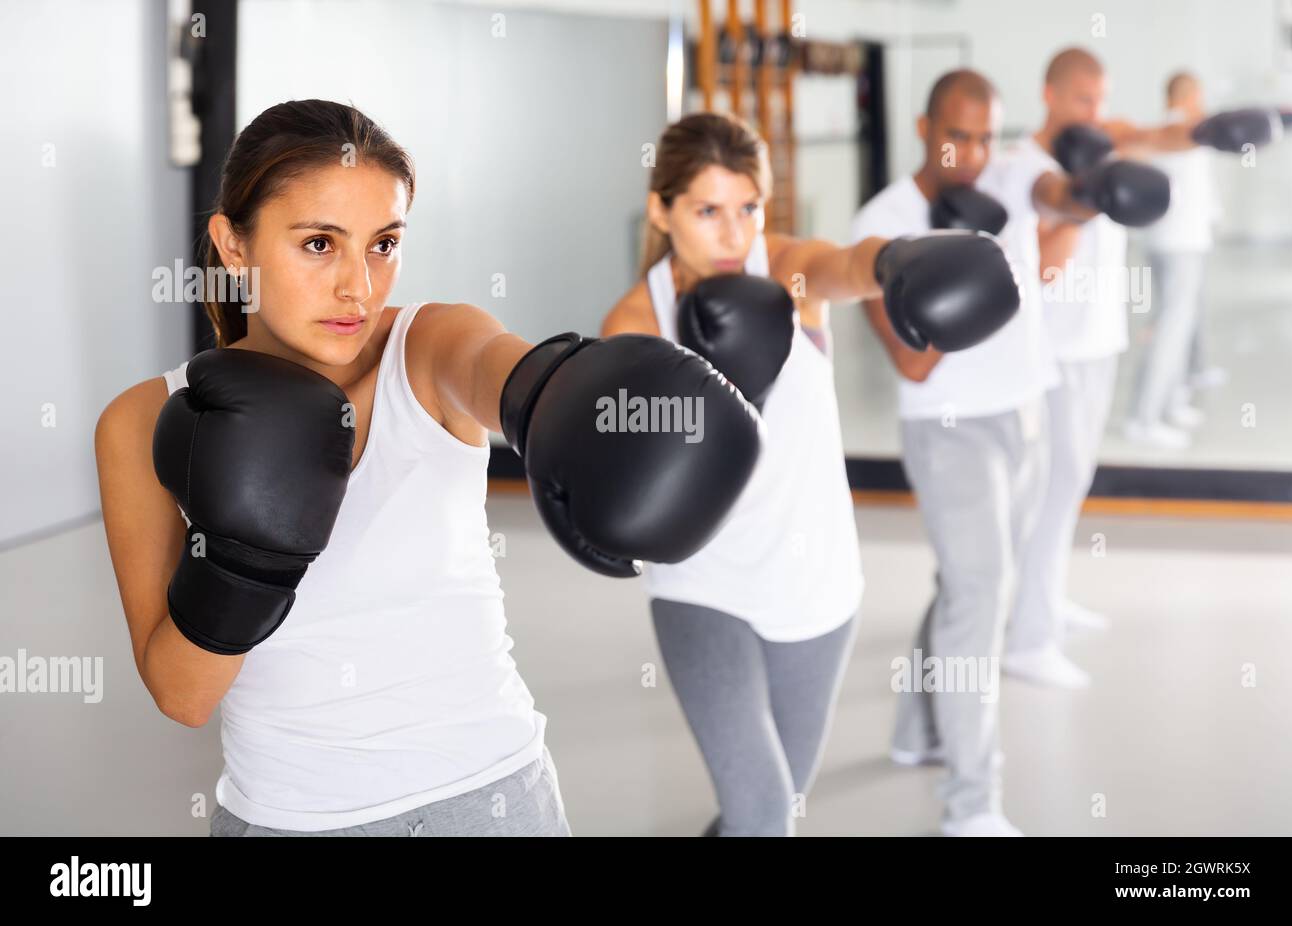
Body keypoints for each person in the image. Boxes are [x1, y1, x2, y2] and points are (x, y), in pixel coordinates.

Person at [93, 99, 764, 837]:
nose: (359, 286)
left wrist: (560, 400)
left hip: (493, 801)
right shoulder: (141, 422)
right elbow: (181, 696)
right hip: (285, 818)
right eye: (319, 244)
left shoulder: (426, 345)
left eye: (383, 243)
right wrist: (244, 559)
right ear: (233, 244)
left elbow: (494, 364)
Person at [601, 110, 1023, 836]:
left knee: (767, 806)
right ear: (661, 211)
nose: (735, 235)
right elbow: (644, 470)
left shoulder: (788, 269)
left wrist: (896, 262)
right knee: (766, 815)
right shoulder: (635, 323)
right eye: (707, 211)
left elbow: (851, 264)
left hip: (817, 586)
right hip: (704, 589)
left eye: (748, 209)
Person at [851, 67, 1167, 835]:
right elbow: (912, 361)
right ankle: (972, 803)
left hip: (1023, 412)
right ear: (925, 128)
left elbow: (1060, 198)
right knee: (981, 592)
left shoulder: (1018, 175)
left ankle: (913, 731)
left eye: (987, 134)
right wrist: (958, 271)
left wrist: (1094, 192)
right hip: (949, 426)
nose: (975, 152)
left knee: (966, 583)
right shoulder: (883, 219)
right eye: (958, 135)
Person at [1004, 47, 1277, 686]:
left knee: (1071, 486)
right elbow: (1043, 267)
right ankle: (1026, 637)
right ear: (1049, 94)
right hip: (1056, 354)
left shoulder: (1105, 141)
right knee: (1050, 490)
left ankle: (1046, 599)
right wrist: (1088, 196)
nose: (1094, 113)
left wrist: (1216, 129)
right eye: (1081, 100)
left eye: (1100, 100)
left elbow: (1160, 134)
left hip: (1098, 345)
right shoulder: (1027, 166)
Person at [1125, 71, 1224, 448]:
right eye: (1198, 93)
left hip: (1183, 241)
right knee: (1170, 328)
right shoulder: (1176, 133)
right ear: (1189, 95)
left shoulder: (1184, 133)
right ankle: (1144, 416)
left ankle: (1170, 402)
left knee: (1179, 326)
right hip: (1177, 243)